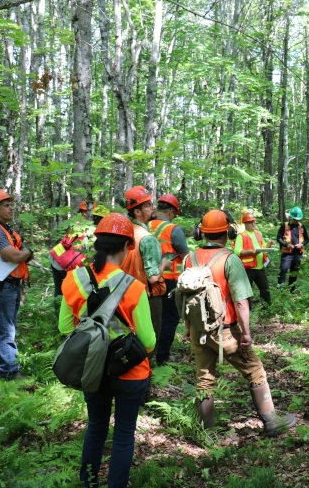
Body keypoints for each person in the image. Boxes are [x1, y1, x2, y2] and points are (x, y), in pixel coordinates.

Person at [58, 213, 155, 488]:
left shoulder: (74, 278)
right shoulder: (134, 287)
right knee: (124, 434)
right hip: (131, 373)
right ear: (127, 247)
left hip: (92, 370)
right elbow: (149, 341)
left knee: (96, 428)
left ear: (98, 244)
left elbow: (65, 327)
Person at [185, 210, 298, 436]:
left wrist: (189, 329)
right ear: (229, 231)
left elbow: (186, 296)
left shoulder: (190, 258)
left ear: (202, 232)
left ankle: (205, 432)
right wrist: (245, 334)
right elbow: (241, 302)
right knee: (255, 371)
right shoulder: (230, 259)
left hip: (199, 331)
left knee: (204, 380)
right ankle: (272, 422)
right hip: (226, 331)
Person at [0, 189, 34, 380]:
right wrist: (28, 251)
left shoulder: (5, 228)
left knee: (3, 328)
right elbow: (15, 256)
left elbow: (18, 256)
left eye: (11, 205)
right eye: (6, 205)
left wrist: (24, 253)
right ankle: (9, 373)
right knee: (6, 331)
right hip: (3, 287)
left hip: (10, 285)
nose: (11, 208)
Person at [120, 186, 168, 350]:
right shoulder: (147, 238)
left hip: (122, 294)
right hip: (146, 297)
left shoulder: (124, 232)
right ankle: (147, 373)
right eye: (148, 205)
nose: (153, 207)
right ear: (137, 212)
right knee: (148, 344)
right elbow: (153, 277)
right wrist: (164, 264)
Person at [148, 194, 190, 366]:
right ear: (172, 212)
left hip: (145, 279)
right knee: (169, 318)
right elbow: (185, 255)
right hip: (168, 281)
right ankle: (162, 355)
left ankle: (147, 353)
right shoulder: (173, 229)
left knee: (149, 317)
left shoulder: (144, 225)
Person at [49, 205, 111, 316]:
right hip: (67, 266)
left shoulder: (78, 225)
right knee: (69, 293)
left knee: (59, 292)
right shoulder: (92, 233)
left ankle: (59, 317)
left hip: (57, 260)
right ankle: (66, 318)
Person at [233, 212, 275, 306]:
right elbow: (237, 251)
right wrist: (252, 252)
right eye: (250, 222)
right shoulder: (241, 236)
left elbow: (263, 247)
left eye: (253, 222)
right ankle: (247, 310)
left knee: (265, 289)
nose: (253, 224)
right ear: (245, 224)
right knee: (247, 291)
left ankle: (266, 308)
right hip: (248, 269)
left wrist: (269, 244)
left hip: (260, 268)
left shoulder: (258, 234)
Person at [276, 206, 309, 290]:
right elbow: (278, 238)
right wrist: (286, 244)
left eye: (298, 219)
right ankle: (280, 289)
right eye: (295, 219)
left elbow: (307, 239)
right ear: (291, 217)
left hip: (298, 254)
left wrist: (301, 244)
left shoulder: (301, 227)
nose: (296, 221)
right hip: (287, 253)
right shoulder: (284, 226)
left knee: (294, 272)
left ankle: (292, 290)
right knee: (283, 270)